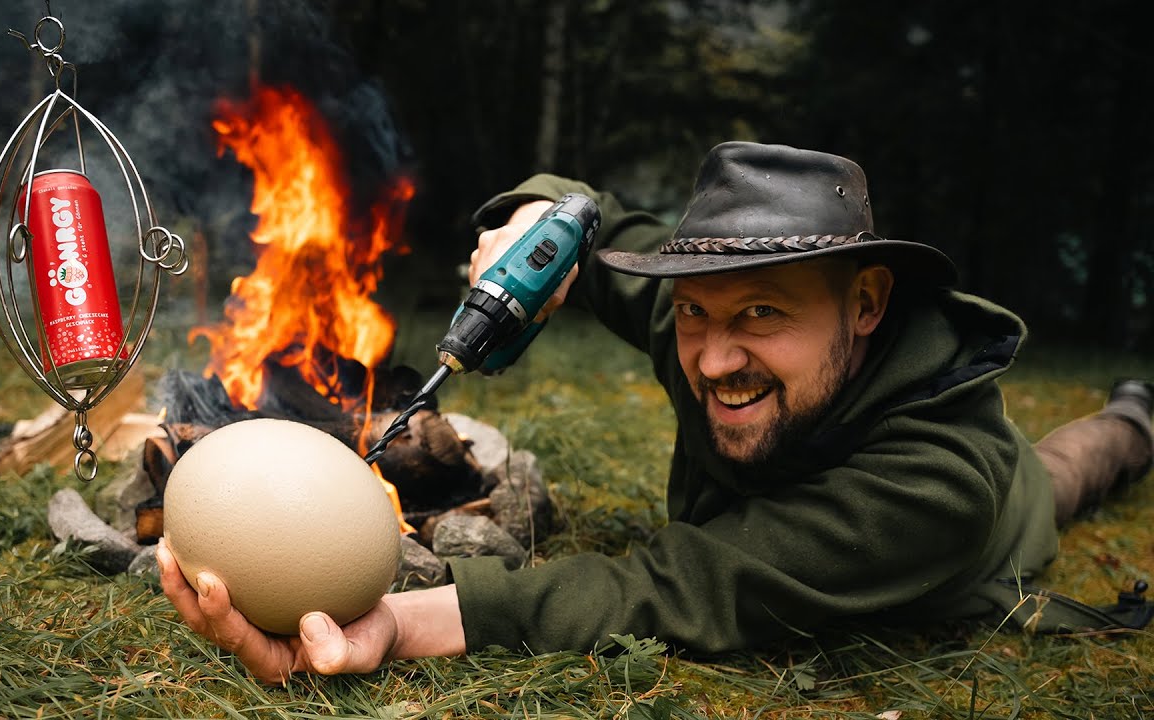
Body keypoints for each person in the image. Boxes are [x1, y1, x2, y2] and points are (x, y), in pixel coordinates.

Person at [157, 141, 1153, 682]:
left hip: (999, 523)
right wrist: (530, 214)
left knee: (1077, 462)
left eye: (761, 313)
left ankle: (1135, 414)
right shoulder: (719, 328)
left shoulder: (932, 490)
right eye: (694, 313)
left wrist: (397, 624)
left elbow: (675, 587)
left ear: (864, 303)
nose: (714, 358)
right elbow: (589, 221)